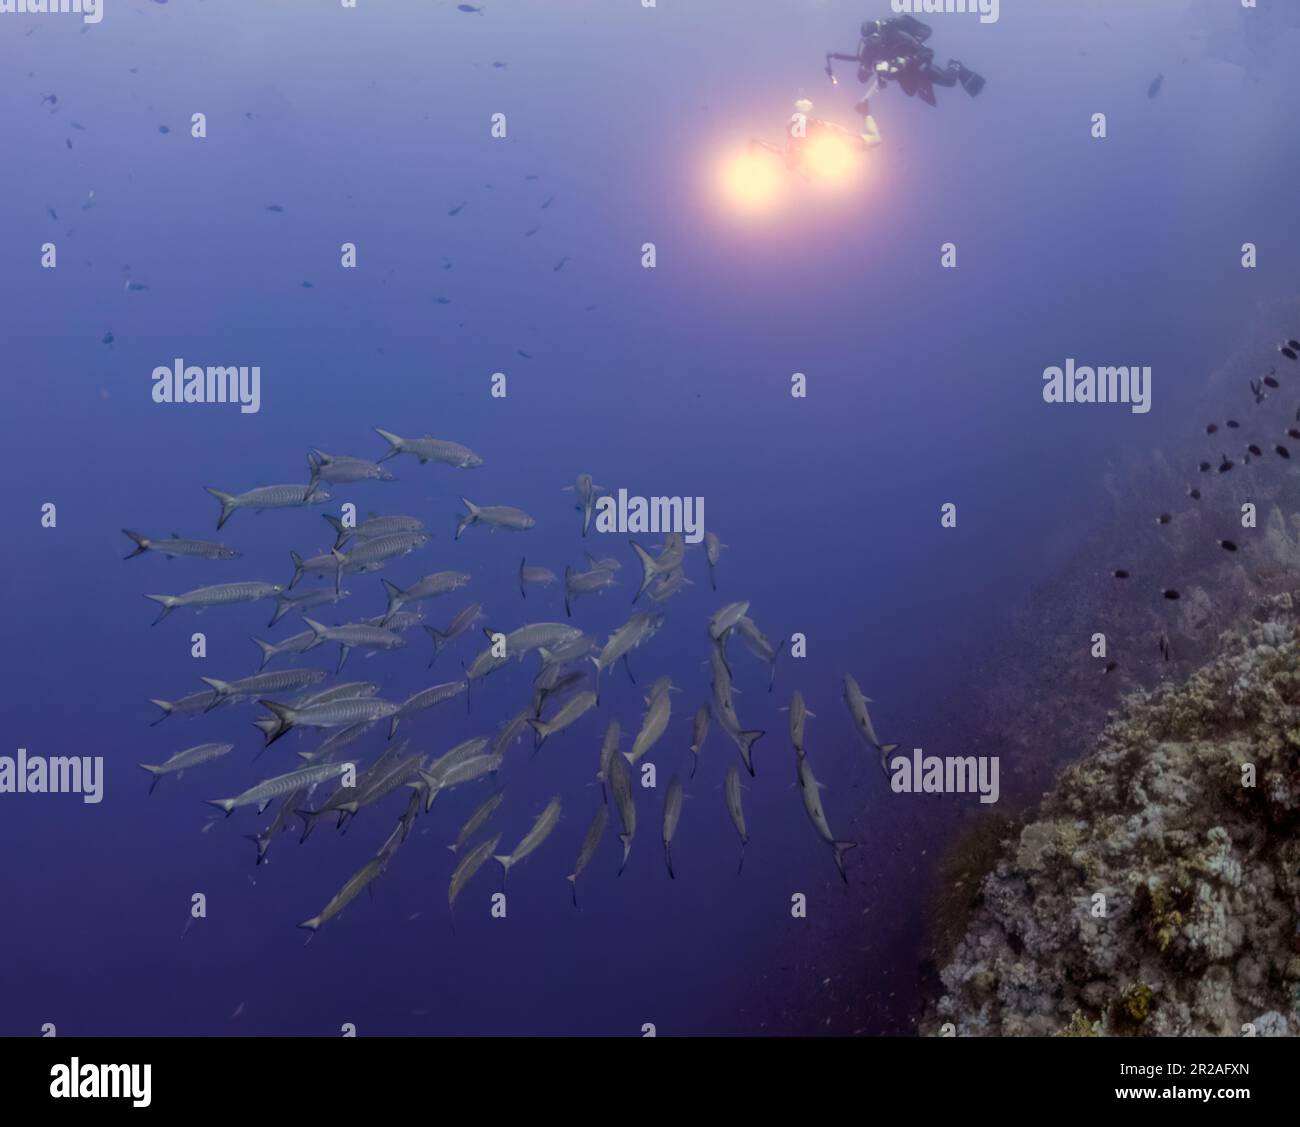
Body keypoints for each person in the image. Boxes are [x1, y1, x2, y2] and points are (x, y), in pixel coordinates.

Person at [825, 15, 985, 109]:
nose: (872, 42)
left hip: (918, 66)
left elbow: (927, 52)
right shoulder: (869, 50)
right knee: (911, 93)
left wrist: (905, 61)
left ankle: (955, 65)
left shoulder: (896, 35)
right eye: (867, 40)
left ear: (879, 31)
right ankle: (923, 84)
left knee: (949, 81)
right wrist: (870, 68)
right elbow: (862, 78)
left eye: (874, 37)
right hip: (902, 76)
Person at [750, 97, 879, 176]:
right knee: (874, 139)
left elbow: (832, 128)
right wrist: (759, 143)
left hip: (836, 147)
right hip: (831, 153)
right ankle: (865, 112)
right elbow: (779, 151)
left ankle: (865, 112)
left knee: (875, 139)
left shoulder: (812, 128)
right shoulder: (793, 150)